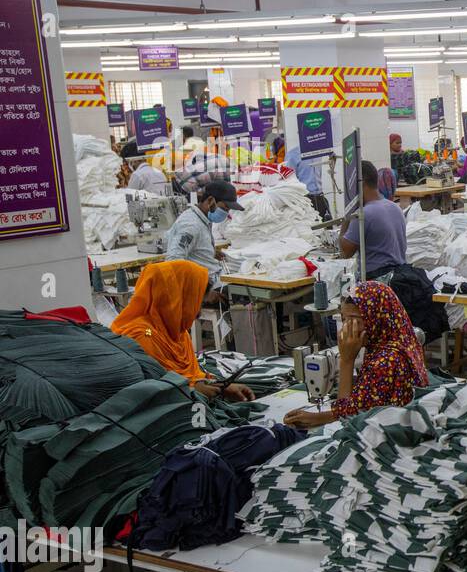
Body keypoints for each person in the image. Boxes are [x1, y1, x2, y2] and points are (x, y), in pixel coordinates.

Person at [284, 282, 429, 428]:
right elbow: (367, 404)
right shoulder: (401, 341)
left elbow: (349, 420)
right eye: (344, 319)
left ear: (377, 317)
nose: (346, 328)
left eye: (354, 320)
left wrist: (347, 360)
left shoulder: (387, 361)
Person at [111, 260, 254, 403]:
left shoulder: (175, 330)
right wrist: (192, 390)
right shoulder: (142, 336)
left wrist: (222, 386)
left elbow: (190, 377)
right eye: (197, 302)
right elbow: (156, 391)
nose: (198, 311)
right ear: (178, 298)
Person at [164, 180, 243, 289]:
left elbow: (193, 249)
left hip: (212, 279)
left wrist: (208, 252)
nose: (226, 213)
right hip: (206, 286)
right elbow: (173, 261)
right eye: (224, 209)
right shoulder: (191, 225)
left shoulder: (202, 219)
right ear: (210, 200)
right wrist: (205, 292)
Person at [340, 161, 408, 278]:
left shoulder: (363, 215)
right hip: (399, 276)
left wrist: (347, 216)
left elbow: (346, 252)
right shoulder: (395, 207)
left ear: (360, 184)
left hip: (377, 282)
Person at [286, 145, 330, 220]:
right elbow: (288, 181)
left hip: (320, 198)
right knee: (310, 229)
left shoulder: (319, 152)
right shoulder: (293, 154)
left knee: (326, 228)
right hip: (304, 201)